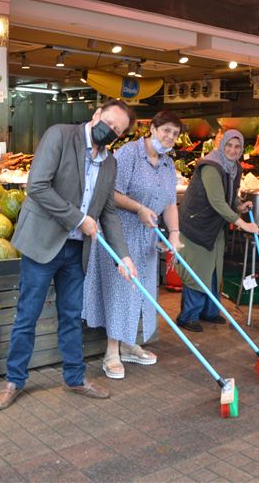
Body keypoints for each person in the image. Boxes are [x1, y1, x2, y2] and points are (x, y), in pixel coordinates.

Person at [0, 100, 137, 410]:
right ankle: (14, 380)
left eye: (118, 131)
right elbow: (38, 187)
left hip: (75, 250)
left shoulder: (110, 164)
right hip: (43, 243)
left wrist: (123, 256)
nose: (110, 132)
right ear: (97, 114)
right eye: (109, 124)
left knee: (71, 316)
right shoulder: (59, 135)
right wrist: (78, 219)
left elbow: (108, 211)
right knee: (27, 315)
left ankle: (75, 377)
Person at [83, 111, 184, 379]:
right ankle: (111, 352)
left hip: (147, 237)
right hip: (121, 233)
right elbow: (110, 194)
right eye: (166, 131)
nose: (170, 137)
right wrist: (139, 208)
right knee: (121, 291)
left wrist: (174, 233)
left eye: (175, 134)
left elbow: (171, 203)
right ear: (152, 128)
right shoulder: (129, 154)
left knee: (141, 293)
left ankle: (128, 344)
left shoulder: (167, 164)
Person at [176, 129, 259, 332]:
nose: (233, 150)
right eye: (229, 145)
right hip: (196, 226)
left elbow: (229, 196)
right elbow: (217, 202)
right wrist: (243, 223)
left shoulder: (234, 168)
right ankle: (188, 317)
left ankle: (210, 312)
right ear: (221, 146)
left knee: (214, 270)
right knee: (197, 271)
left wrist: (239, 205)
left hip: (215, 227)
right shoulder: (211, 167)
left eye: (237, 146)